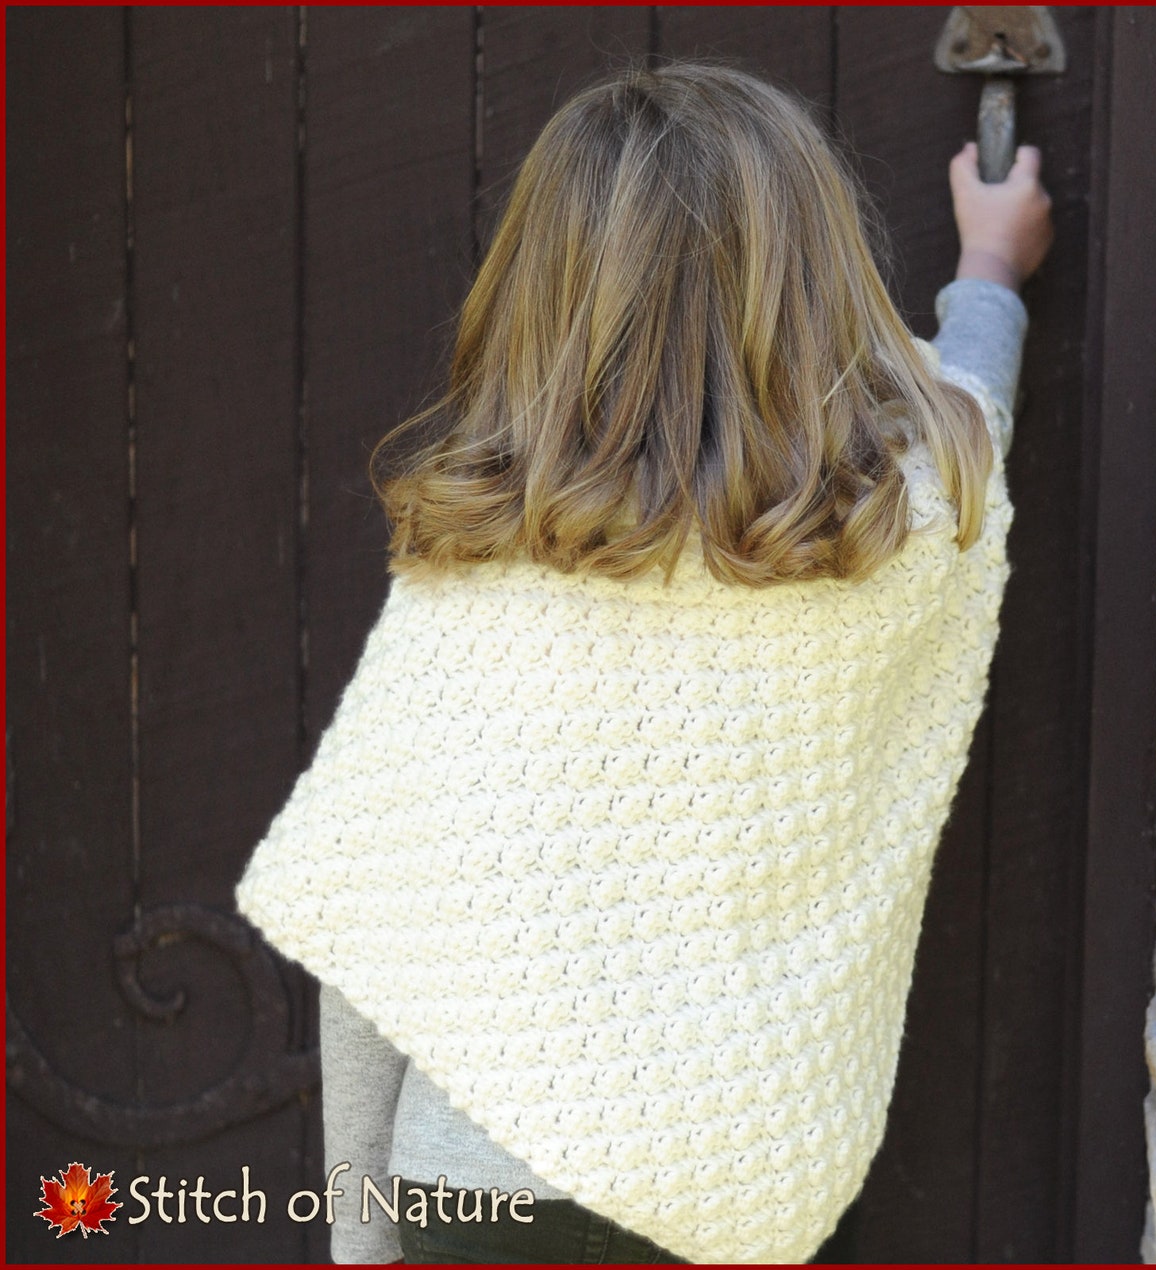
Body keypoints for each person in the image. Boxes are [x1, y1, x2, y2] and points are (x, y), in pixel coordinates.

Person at [234, 61, 1052, 1266]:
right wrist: (989, 270)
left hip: (477, 1191)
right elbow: (973, 400)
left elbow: (375, 927)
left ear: (550, 290)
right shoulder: (910, 516)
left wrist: (358, 1231)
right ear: (817, 266)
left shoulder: (490, 558)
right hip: (739, 1182)